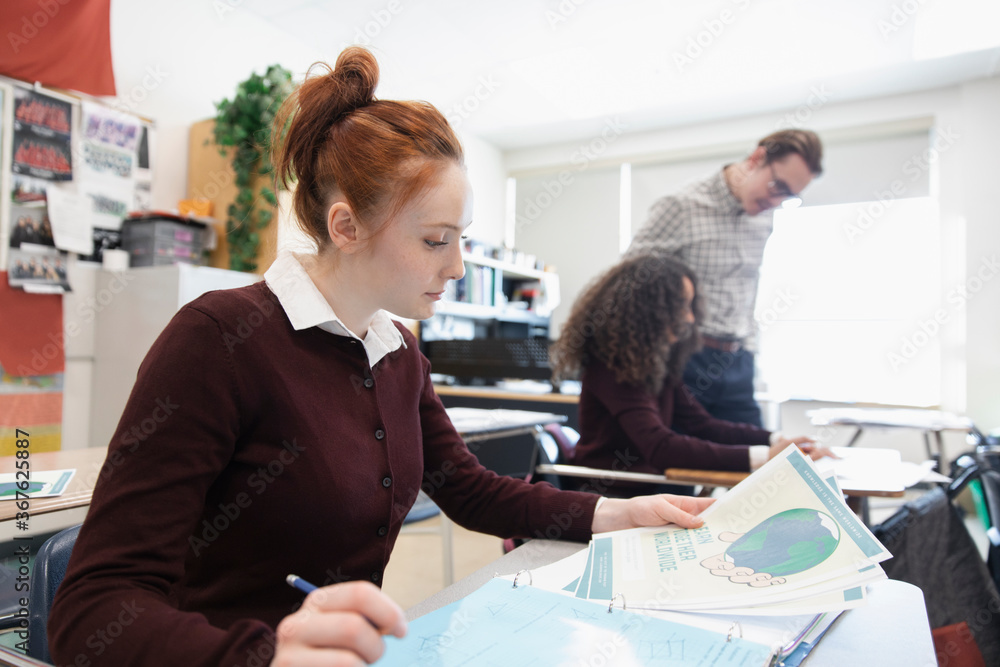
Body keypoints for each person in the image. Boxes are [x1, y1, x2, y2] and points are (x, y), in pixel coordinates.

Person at [48, 46, 715, 667]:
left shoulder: (396, 352)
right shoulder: (219, 338)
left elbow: (468, 487)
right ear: (346, 225)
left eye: (462, 240)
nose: (456, 265)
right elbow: (92, 608)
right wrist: (265, 655)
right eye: (434, 240)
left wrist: (613, 512)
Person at [550, 254, 828, 498]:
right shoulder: (611, 366)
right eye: (682, 306)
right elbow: (661, 447)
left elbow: (701, 425)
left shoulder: (653, 362)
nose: (690, 318)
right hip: (614, 494)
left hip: (648, 488)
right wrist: (762, 457)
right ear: (650, 311)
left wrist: (775, 439)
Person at [625, 129, 823, 427]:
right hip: (685, 358)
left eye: (788, 196)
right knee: (689, 464)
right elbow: (629, 281)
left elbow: (748, 283)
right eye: (777, 186)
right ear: (756, 159)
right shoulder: (681, 205)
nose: (776, 201)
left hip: (738, 360)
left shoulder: (766, 215)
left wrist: (750, 348)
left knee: (760, 462)